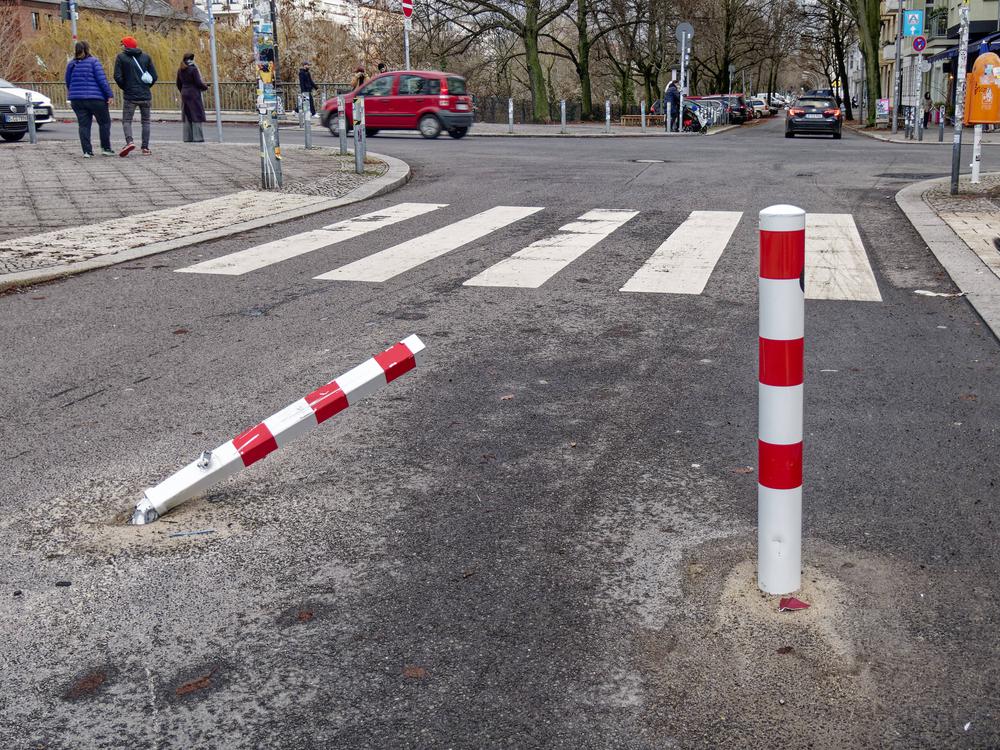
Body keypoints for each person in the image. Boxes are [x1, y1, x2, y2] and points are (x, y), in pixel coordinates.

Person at [64, 40, 114, 158]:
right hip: (96, 99)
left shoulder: (71, 64)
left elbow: (68, 81)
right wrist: (109, 95)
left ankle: (87, 151)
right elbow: (102, 80)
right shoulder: (94, 62)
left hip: (77, 100)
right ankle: (106, 148)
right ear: (87, 49)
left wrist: (74, 93)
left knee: (84, 125)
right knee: (104, 123)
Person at [113, 35, 157, 157]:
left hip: (130, 96)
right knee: (146, 122)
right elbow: (154, 76)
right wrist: (146, 87)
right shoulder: (146, 57)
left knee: (127, 120)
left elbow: (117, 76)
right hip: (146, 96)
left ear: (126, 45)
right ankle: (145, 148)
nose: (121, 46)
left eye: (122, 44)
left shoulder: (121, 57)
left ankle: (129, 142)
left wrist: (125, 87)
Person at [176, 52, 208, 142]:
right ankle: (198, 137)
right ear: (192, 59)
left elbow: (178, 83)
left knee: (187, 115)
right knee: (196, 114)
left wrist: (183, 91)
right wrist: (205, 87)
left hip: (184, 93)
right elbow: (198, 82)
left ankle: (187, 137)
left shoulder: (180, 69)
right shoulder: (193, 69)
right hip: (194, 94)